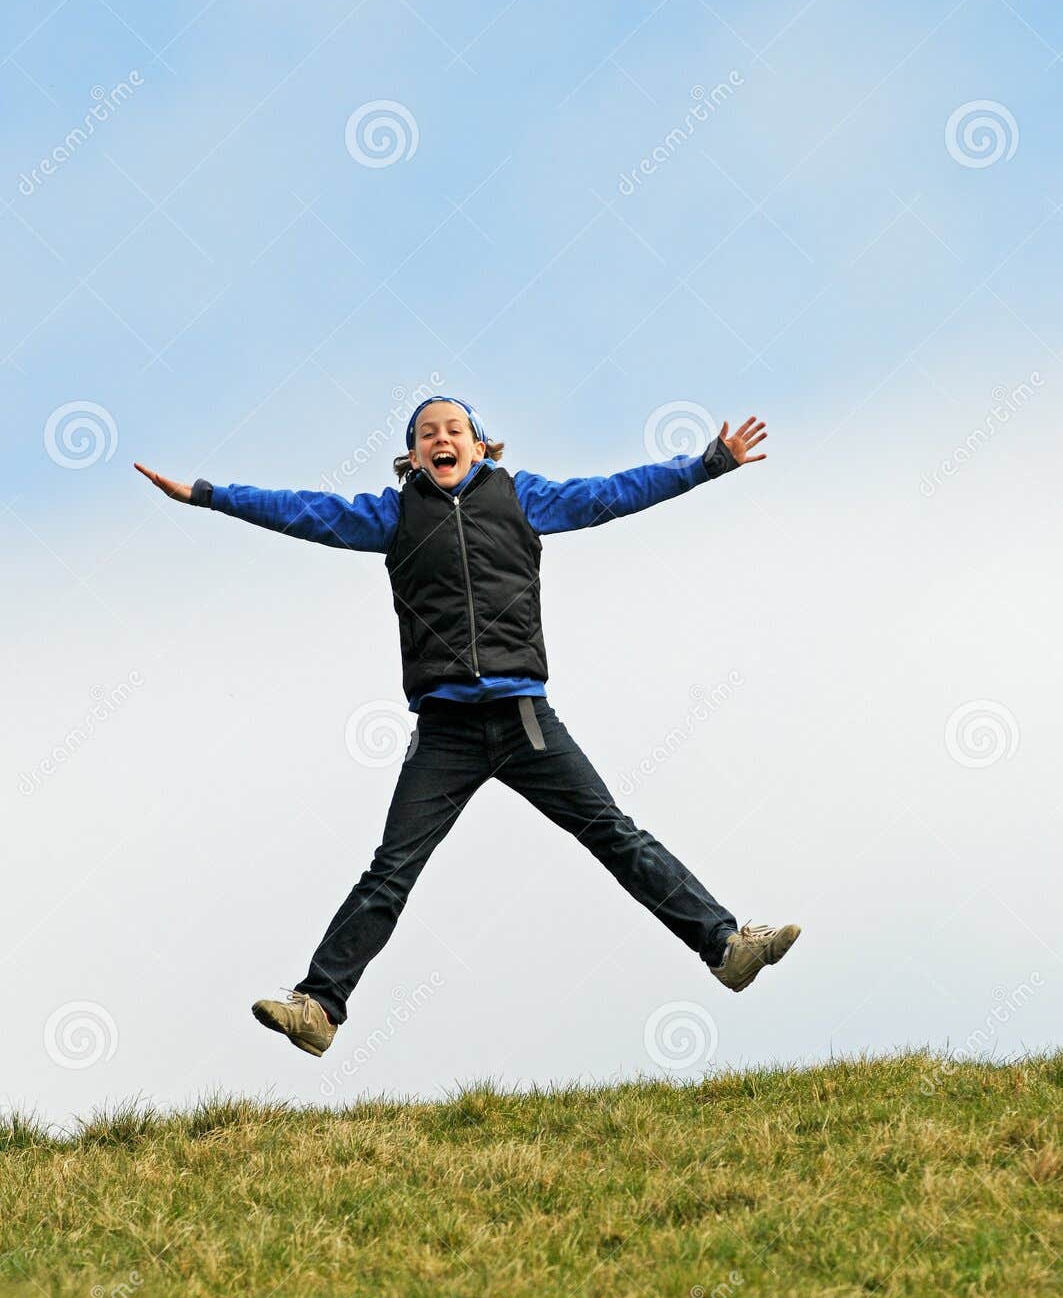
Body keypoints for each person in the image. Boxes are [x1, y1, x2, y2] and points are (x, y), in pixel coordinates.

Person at [135, 397, 800, 1059]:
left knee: (613, 832)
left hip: (523, 719)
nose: (440, 439)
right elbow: (303, 511)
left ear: (480, 446)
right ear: (413, 456)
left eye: (454, 430)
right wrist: (206, 495)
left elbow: (612, 493)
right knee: (392, 868)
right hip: (445, 731)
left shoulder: (522, 498)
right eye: (427, 434)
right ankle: (317, 1008)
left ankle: (725, 946)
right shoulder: (392, 515)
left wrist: (707, 465)